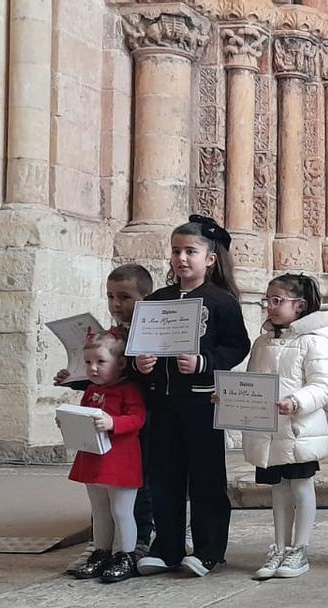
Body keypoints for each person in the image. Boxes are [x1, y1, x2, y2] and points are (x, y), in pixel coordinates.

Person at [133, 214, 252, 578]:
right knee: (163, 476)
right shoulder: (157, 300)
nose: (182, 259)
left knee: (206, 478)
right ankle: (167, 546)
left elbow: (237, 346)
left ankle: (209, 549)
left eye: (190, 251)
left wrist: (204, 361)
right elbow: (138, 344)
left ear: (210, 259)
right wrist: (140, 363)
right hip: (162, 402)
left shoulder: (221, 302)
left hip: (201, 401)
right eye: (176, 252)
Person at [235, 273, 328, 580]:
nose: (270, 306)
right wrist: (231, 399)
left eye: (278, 300)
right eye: (268, 300)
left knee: (301, 486)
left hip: (298, 430)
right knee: (278, 490)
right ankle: (279, 546)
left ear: (300, 306)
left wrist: (297, 401)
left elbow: (323, 385)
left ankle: (300, 549)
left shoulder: (314, 342)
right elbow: (251, 384)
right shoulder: (262, 343)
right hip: (269, 431)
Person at [54, 264, 158, 559]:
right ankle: (103, 545)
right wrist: (75, 376)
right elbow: (101, 375)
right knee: (102, 490)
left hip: (143, 417)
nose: (116, 304)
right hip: (109, 421)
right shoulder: (108, 335)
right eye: (110, 296)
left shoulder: (151, 330)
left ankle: (138, 542)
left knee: (140, 484)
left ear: (145, 298)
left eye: (124, 297)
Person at [63, 330, 147, 583]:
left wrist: (113, 422)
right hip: (94, 458)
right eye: (88, 363)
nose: (93, 369)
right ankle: (101, 552)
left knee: (121, 511)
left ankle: (126, 554)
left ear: (120, 363)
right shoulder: (90, 390)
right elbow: (86, 417)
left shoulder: (129, 390)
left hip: (120, 460)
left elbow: (137, 418)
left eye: (101, 362)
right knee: (99, 511)